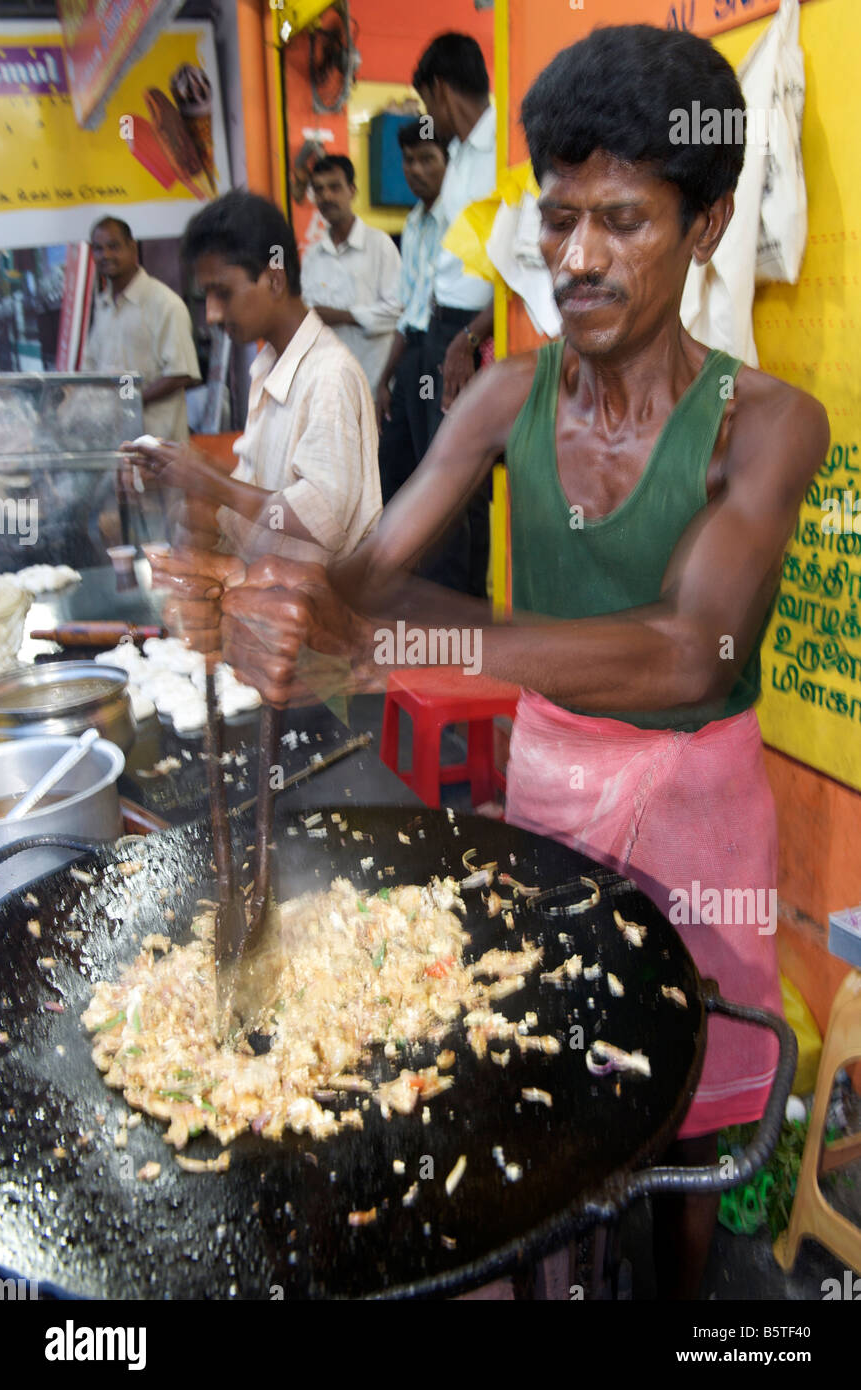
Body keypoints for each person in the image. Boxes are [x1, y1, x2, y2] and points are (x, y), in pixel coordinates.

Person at [211, 25, 829, 1296]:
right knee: (541, 1066)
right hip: (550, 788)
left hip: (697, 810)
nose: (576, 260)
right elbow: (368, 573)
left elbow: (680, 653)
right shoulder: (504, 398)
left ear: (706, 227)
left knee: (687, 1121)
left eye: (622, 221)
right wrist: (256, 577)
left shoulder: (766, 425)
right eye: (557, 221)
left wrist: (386, 642)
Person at [123, 189, 381, 571]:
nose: (211, 314)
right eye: (206, 295)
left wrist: (209, 481)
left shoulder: (329, 375)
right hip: (270, 595)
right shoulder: (269, 367)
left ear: (274, 281)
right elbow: (257, 494)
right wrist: (186, 470)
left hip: (320, 612)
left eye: (222, 293)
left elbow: (319, 520)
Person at [412, 32, 497, 596]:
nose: (427, 117)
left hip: (470, 334)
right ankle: (454, 610)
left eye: (425, 104)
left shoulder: (501, 153)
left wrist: (466, 339)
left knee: (454, 484)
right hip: (441, 327)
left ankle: (455, 617)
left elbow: (512, 271)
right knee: (440, 479)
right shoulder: (463, 153)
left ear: (441, 90)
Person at [376, 121, 448, 504]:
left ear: (448, 161)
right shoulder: (414, 222)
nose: (415, 169)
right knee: (392, 462)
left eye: (427, 159)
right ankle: (398, 560)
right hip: (411, 356)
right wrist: (384, 379)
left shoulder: (460, 218)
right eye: (408, 160)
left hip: (443, 354)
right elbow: (407, 311)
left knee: (438, 469)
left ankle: (444, 566)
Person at [83, 217, 200, 442]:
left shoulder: (165, 303)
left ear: (132, 248)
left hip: (159, 450)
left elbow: (181, 373)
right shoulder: (103, 306)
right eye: (98, 249)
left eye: (114, 246)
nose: (105, 255)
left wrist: (130, 402)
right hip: (114, 442)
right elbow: (92, 368)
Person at [299, 155, 402, 396]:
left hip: (373, 384)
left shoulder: (380, 245)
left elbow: (397, 312)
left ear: (352, 191)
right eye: (319, 190)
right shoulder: (312, 256)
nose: (326, 197)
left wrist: (343, 316)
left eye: (334, 187)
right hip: (327, 386)